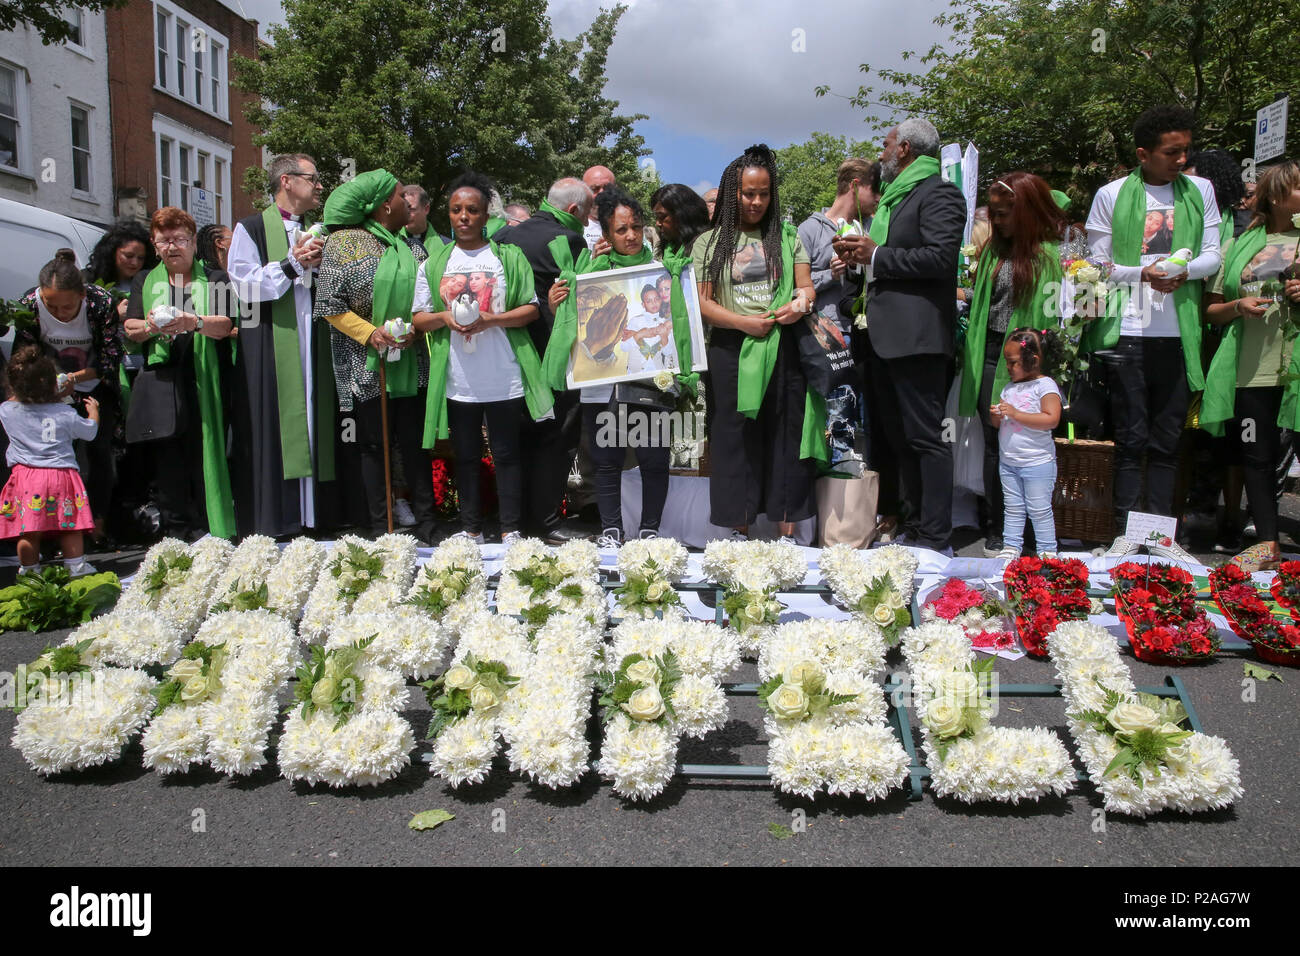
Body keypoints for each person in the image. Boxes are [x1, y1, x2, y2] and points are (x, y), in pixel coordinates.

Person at [1083, 105, 1222, 560]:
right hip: (1127, 331)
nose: (1181, 160)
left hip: (1177, 332)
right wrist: (1144, 274)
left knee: (1167, 441)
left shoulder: (1201, 190)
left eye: (1185, 150)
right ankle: (1124, 533)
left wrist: (1181, 270)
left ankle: (1162, 536)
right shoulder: (1110, 193)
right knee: (1130, 438)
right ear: (1143, 154)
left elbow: (1213, 255)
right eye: (1170, 152)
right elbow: (1096, 265)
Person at [833, 117, 968, 553]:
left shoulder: (940, 194)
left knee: (926, 437)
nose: (882, 153)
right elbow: (887, 262)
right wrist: (858, 261)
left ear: (905, 148)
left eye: (887, 144)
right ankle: (909, 524)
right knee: (894, 438)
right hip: (881, 339)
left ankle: (936, 537)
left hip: (917, 338)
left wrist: (878, 254)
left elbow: (941, 260)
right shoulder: (893, 200)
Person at [412, 171, 549, 546]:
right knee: (466, 456)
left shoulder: (507, 257)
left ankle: (510, 528)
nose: (463, 217)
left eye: (472, 210)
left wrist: (491, 319)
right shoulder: (434, 262)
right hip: (458, 377)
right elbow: (419, 319)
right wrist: (443, 318)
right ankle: (470, 527)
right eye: (456, 210)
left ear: (487, 215)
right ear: (449, 214)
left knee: (507, 454)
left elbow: (531, 310)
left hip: (503, 373)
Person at [692, 145, 820, 540]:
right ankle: (739, 529)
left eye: (764, 193)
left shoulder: (788, 236)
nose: (757, 201)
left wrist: (800, 304)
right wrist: (744, 323)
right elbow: (701, 303)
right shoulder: (709, 244)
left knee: (785, 435)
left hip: (783, 349)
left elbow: (806, 288)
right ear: (733, 193)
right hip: (731, 351)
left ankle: (787, 531)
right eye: (749, 193)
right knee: (734, 439)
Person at [544, 187, 678, 547]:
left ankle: (651, 530)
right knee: (606, 462)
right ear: (606, 235)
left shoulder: (663, 275)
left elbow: (679, 325)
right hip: (602, 385)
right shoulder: (587, 277)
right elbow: (572, 328)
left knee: (654, 460)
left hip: (652, 383)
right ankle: (611, 532)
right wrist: (558, 305)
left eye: (635, 226)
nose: (631, 235)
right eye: (621, 230)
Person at [314, 168, 437, 544]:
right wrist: (372, 334)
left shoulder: (411, 246)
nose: (408, 203)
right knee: (373, 447)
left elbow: (426, 297)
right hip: (368, 367)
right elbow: (330, 305)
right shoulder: (343, 244)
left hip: (413, 363)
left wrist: (417, 328)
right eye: (402, 197)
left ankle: (430, 525)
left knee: (417, 445)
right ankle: (379, 527)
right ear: (384, 205)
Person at [227, 152, 343, 540]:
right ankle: (282, 518)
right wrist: (291, 264)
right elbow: (242, 285)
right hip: (273, 344)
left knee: (316, 421)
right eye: (313, 179)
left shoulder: (320, 230)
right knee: (277, 425)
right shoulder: (252, 228)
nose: (320, 187)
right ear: (287, 182)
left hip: (314, 340)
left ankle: (319, 515)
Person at [957, 172, 1068, 556]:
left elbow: (1054, 319)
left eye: (1005, 214)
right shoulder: (991, 250)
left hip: (1028, 363)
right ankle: (998, 525)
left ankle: (1035, 530)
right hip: (988, 354)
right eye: (995, 213)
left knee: (1031, 441)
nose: (998, 221)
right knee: (995, 442)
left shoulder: (1047, 258)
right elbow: (986, 298)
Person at [1200, 159, 1300, 571]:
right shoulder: (1240, 243)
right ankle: (1267, 543)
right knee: (1255, 456)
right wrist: (1238, 305)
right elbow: (1211, 310)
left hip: (1295, 365)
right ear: (1278, 195)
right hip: (1251, 366)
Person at [123, 206, 238, 540]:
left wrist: (194, 322)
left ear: (192, 242)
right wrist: (151, 326)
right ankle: (175, 533)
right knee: (168, 461)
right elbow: (130, 326)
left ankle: (211, 530)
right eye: (164, 240)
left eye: (179, 239)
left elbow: (228, 325)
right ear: (154, 244)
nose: (172, 247)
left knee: (205, 454)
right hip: (163, 382)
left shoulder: (215, 279)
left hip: (206, 380)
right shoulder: (145, 280)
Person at [495, 177, 595, 539]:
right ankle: (547, 522)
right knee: (554, 439)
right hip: (551, 356)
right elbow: (580, 297)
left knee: (513, 439)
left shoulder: (503, 237)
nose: (586, 223)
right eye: (585, 216)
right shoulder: (568, 240)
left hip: (506, 351)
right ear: (572, 211)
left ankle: (512, 523)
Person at [18, 250, 125, 545]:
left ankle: (97, 523)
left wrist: (74, 380)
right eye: (51, 306)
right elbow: (24, 355)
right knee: (54, 461)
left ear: (81, 295)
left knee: (98, 454)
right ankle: (54, 528)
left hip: (94, 388)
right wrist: (43, 385)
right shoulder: (29, 305)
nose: (59, 313)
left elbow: (110, 357)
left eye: (66, 307)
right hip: (47, 394)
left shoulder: (100, 302)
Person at [0, 345, 100, 575]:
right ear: (53, 384)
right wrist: (93, 412)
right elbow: (90, 432)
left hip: (27, 477)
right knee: (70, 527)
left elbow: (17, 397)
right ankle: (76, 566)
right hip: (61, 475)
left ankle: (29, 570)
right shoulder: (65, 413)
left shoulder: (8, 411)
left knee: (28, 532)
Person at [989, 328, 1062, 559]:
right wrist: (996, 415)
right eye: (1007, 363)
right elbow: (998, 424)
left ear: (1034, 360)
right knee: (1013, 508)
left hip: (1037, 463)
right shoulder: (1009, 388)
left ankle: (1047, 551)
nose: (1008, 368)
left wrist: (1016, 413)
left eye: (1013, 363)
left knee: (1039, 510)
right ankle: (1011, 546)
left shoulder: (1045, 386)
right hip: (1009, 462)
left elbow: (1051, 419)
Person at [401, 185, 446, 263]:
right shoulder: (391, 244)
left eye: (411, 209)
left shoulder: (446, 246)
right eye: (403, 209)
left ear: (426, 209)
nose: (406, 214)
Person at [582, 165, 616, 252]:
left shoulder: (632, 224)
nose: (602, 194)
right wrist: (594, 261)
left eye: (608, 188)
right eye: (594, 189)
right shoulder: (573, 228)